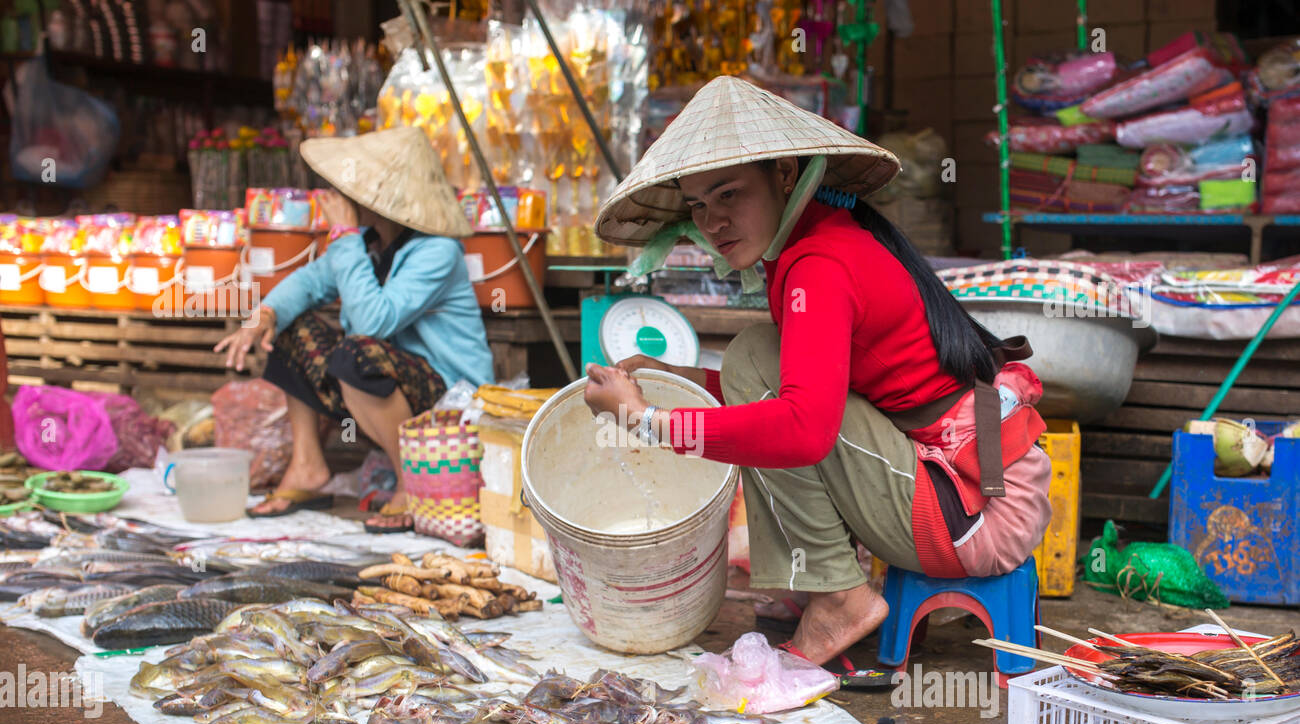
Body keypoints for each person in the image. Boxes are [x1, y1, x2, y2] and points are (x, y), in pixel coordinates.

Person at [582, 76, 1052, 667]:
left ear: (784, 175)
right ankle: (818, 579)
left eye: (729, 195)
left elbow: (802, 428)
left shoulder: (817, 265)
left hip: (976, 511)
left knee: (755, 360)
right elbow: (794, 386)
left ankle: (838, 596)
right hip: (974, 484)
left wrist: (646, 420)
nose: (713, 221)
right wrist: (673, 376)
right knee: (754, 359)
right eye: (699, 205)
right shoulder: (817, 242)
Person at [215, 126, 494, 532]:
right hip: (386, 387)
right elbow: (311, 282)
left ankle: (411, 483)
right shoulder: (369, 243)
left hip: (449, 397)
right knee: (294, 329)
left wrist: (343, 234)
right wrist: (265, 317)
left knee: (356, 352)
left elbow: (372, 323)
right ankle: (307, 466)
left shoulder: (437, 251)